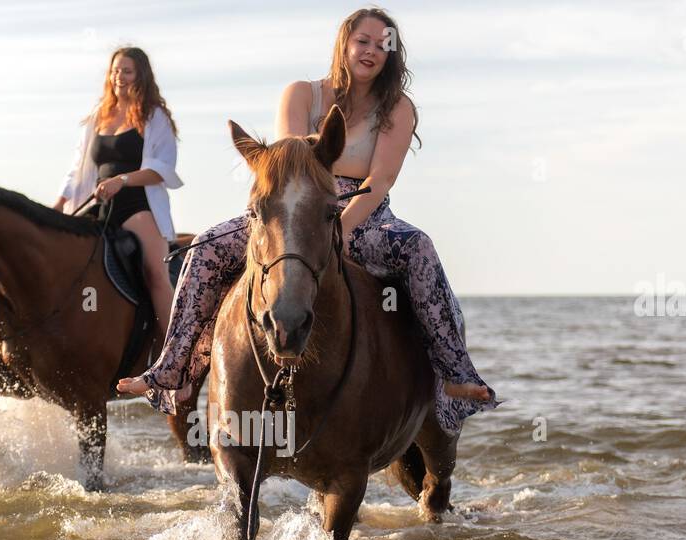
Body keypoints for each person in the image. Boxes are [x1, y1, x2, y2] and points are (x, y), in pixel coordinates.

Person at [117, 8, 497, 436]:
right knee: (205, 246)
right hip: (290, 214)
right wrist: (307, 221)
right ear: (344, 44)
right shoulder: (302, 94)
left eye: (382, 45)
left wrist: (341, 227)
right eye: (363, 41)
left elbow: (379, 180)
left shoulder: (398, 108)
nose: (372, 51)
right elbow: (290, 165)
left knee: (419, 247)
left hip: (360, 215)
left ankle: (454, 373)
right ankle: (173, 371)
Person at [55, 47, 182, 337]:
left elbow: (162, 169)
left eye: (127, 71)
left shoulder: (154, 116)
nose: (119, 77)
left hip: (136, 205)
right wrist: (60, 201)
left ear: (140, 76)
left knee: (156, 275)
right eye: (115, 70)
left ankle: (175, 359)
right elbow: (78, 167)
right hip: (96, 206)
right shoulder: (99, 116)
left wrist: (121, 180)